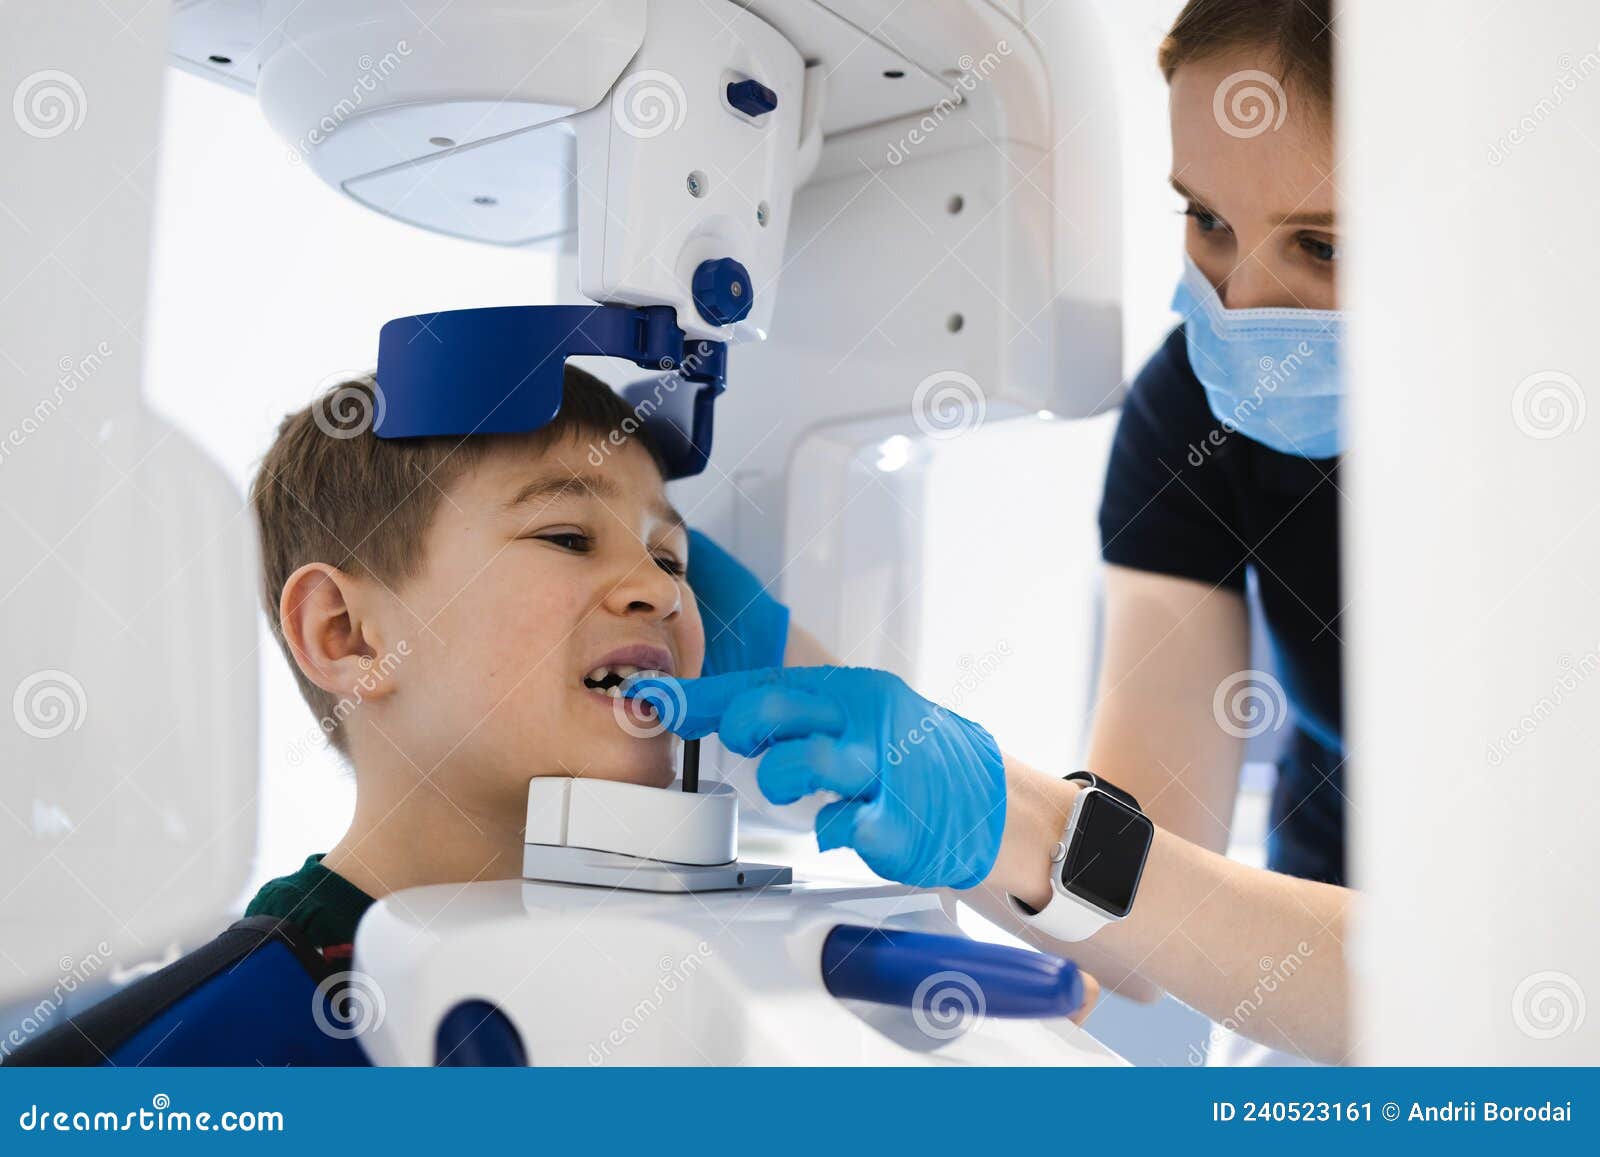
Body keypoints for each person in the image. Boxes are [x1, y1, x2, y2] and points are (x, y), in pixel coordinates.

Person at [647, 0, 1354, 1063]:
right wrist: (803, 676)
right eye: (1206, 219)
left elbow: (1510, 971)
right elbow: (1140, 918)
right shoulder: (1194, 416)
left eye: (1320, 245)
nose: (1238, 298)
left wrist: (1015, 812)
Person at [10, 367, 706, 1064]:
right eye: (567, 537)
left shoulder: (689, 982)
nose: (660, 591)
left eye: (670, 558)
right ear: (346, 633)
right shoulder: (197, 1066)